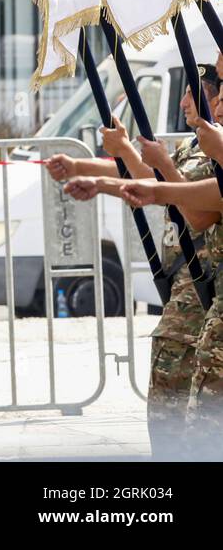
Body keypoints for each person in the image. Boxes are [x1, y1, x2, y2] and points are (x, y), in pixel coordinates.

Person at [58, 66, 221, 458]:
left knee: (196, 404)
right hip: (187, 280)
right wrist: (96, 174)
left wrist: (140, 159)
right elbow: (148, 180)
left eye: (196, 94)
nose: (185, 102)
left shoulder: (214, 151)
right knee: (174, 395)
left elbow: (192, 210)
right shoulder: (197, 145)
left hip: (202, 280)